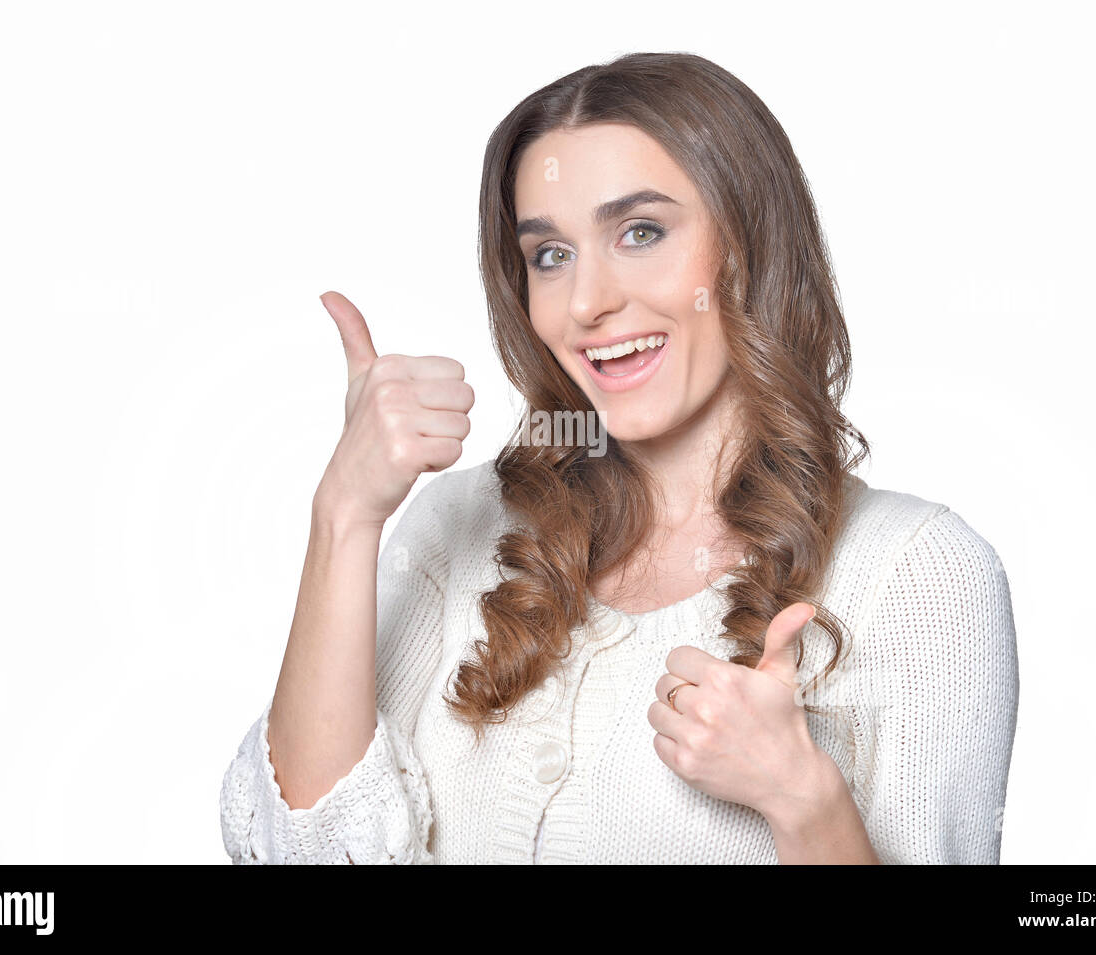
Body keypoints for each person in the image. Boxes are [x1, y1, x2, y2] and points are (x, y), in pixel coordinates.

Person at [218, 51, 1020, 865]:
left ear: (749, 248)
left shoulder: (919, 575)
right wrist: (345, 515)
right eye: (550, 255)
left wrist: (803, 802)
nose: (587, 302)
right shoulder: (456, 533)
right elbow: (298, 855)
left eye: (641, 232)